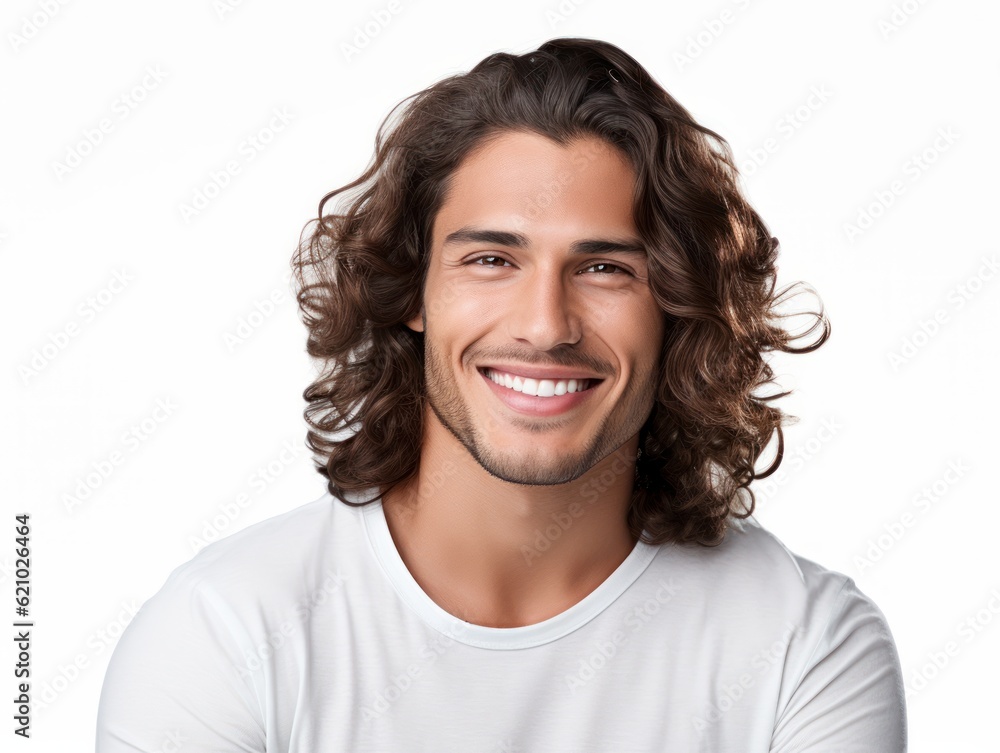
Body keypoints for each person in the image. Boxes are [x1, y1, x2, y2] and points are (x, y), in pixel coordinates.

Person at [96, 37, 907, 751]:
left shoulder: (805, 646)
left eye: (605, 268)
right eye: (491, 260)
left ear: (675, 307)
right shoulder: (226, 636)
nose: (546, 325)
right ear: (413, 291)